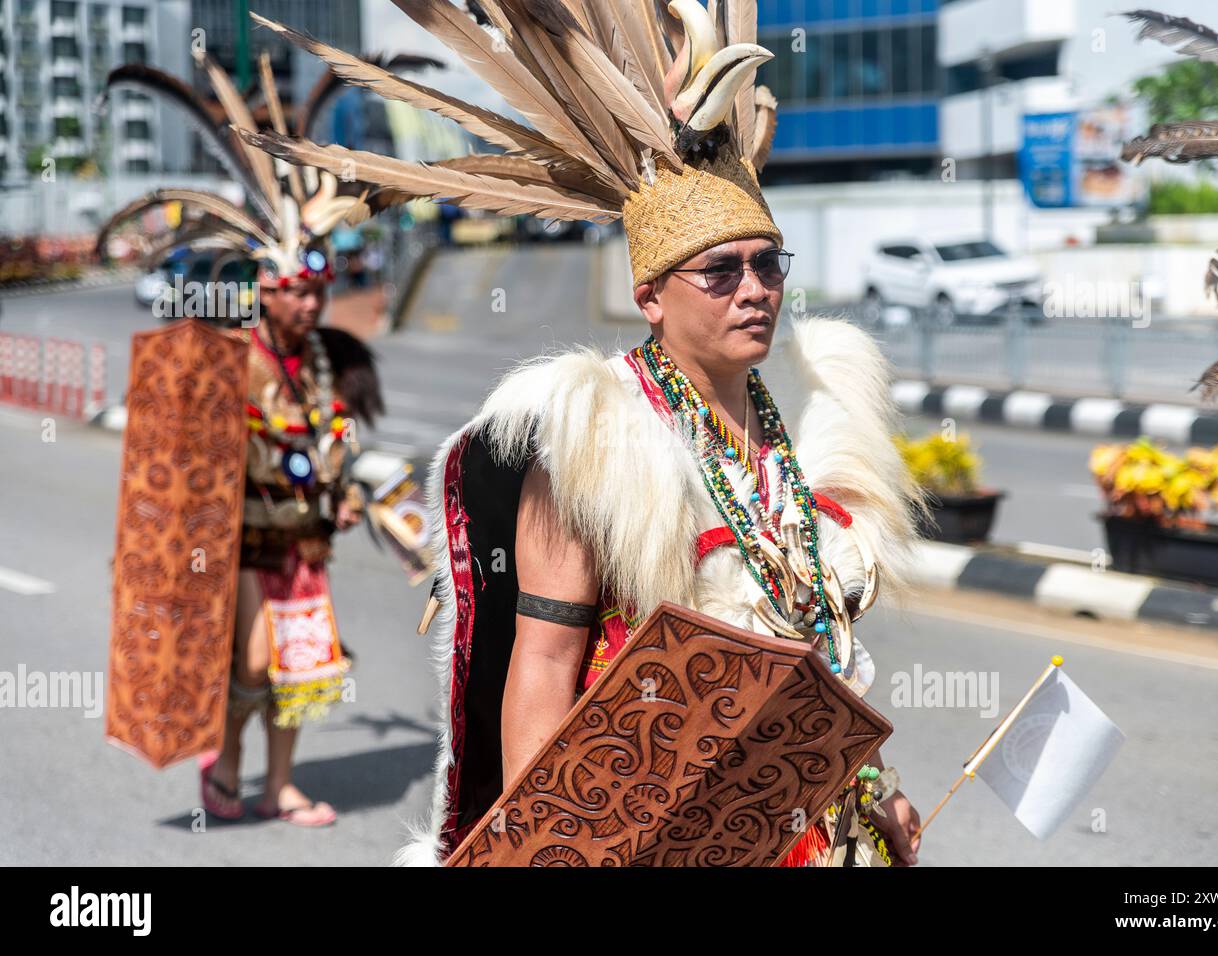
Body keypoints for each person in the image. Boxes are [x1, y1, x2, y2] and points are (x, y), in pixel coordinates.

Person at [242, 0, 926, 864]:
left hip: (816, 828)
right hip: (657, 834)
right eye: (720, 270)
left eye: (767, 264)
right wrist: (544, 852)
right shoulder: (594, 436)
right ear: (650, 295)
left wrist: (878, 792)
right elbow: (543, 663)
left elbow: (821, 657)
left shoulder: (811, 413)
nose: (754, 289)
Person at [99, 47, 385, 825]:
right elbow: (177, 457)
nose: (309, 308)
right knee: (253, 660)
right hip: (235, 545)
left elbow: (337, 445)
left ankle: (278, 784)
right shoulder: (226, 360)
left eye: (317, 294)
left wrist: (349, 496)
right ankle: (221, 769)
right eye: (296, 295)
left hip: (305, 539)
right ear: (265, 289)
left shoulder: (331, 360)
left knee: (302, 667)